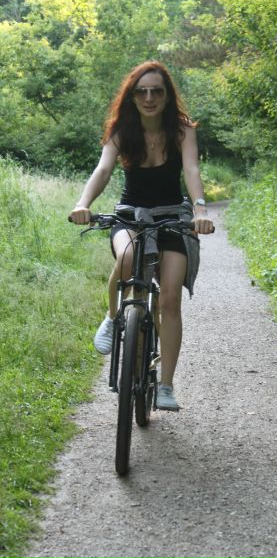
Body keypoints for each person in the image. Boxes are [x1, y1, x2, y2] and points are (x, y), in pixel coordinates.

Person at [69, 60, 214, 411]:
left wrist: (199, 210)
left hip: (172, 218)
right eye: (142, 92)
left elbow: (192, 169)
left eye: (156, 92)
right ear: (132, 96)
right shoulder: (122, 131)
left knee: (169, 300)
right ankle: (113, 317)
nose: (149, 98)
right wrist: (83, 203)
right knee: (128, 257)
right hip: (130, 216)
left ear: (167, 96)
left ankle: (166, 386)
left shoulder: (182, 130)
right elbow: (103, 169)